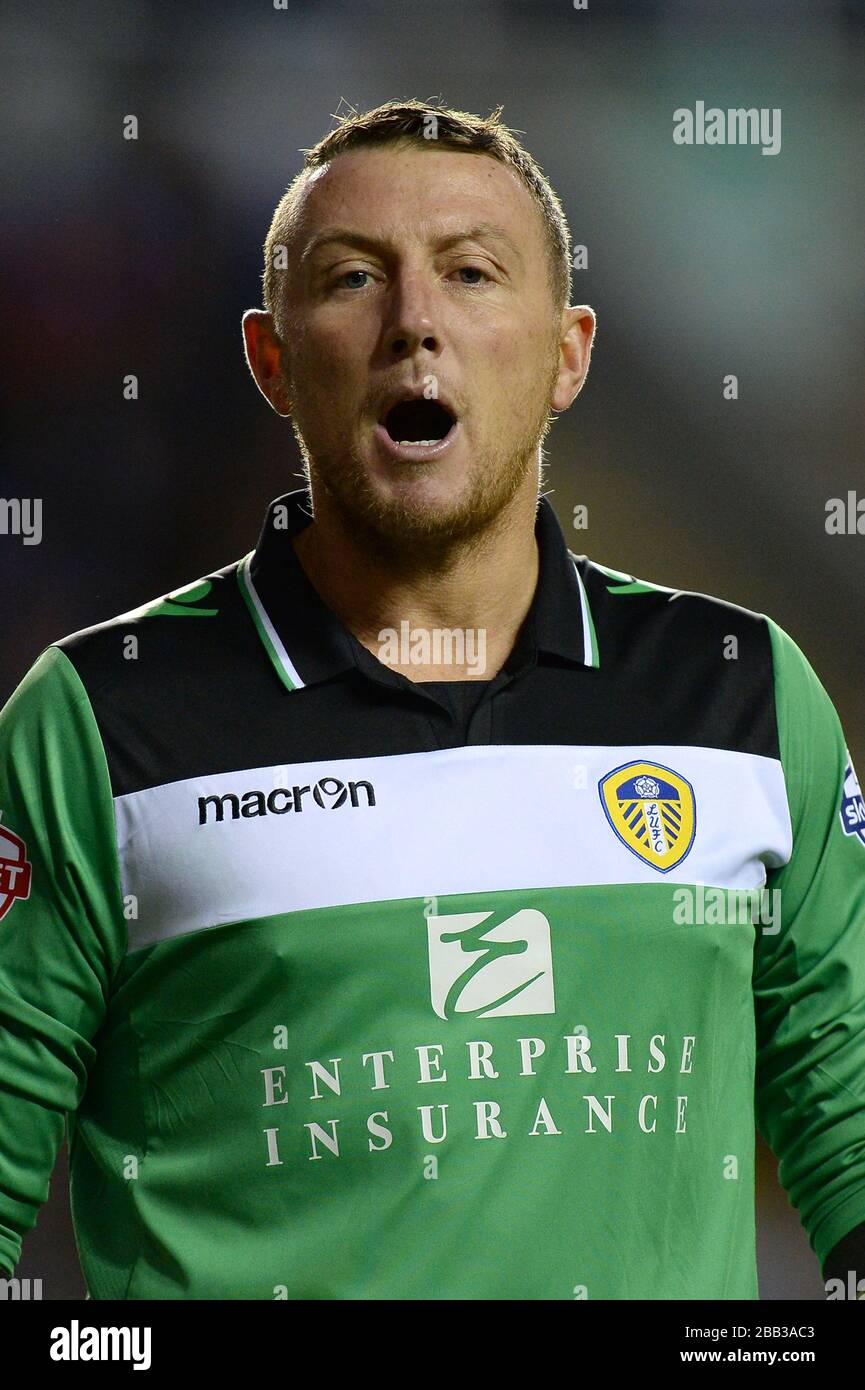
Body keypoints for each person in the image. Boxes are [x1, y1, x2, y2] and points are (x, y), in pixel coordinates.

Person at [1, 99, 864, 1301]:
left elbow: (851, 1137)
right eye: (354, 279)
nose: (416, 324)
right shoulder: (98, 720)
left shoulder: (742, 692)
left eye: (470, 273)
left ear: (568, 353)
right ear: (272, 359)